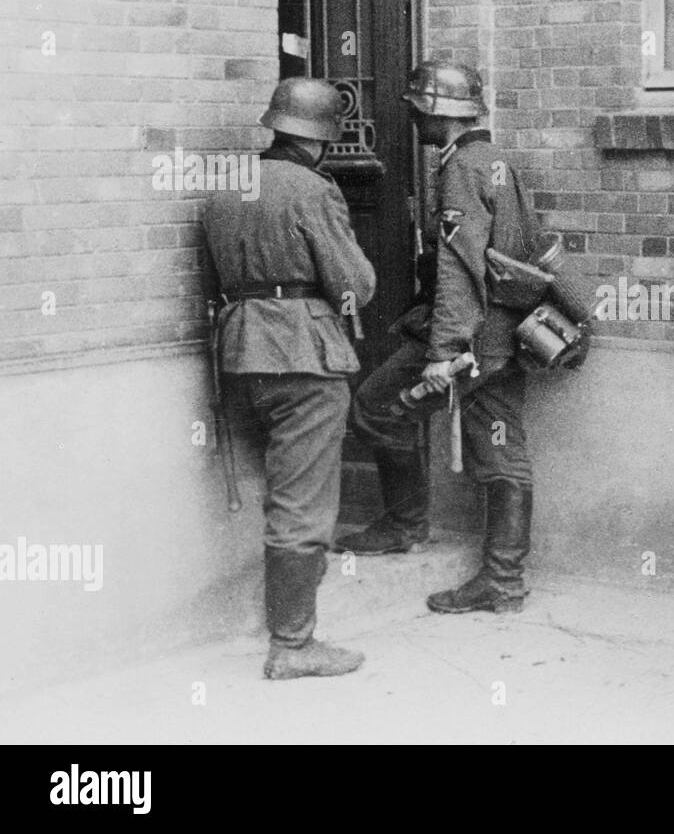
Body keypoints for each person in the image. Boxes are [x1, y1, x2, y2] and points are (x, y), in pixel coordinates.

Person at [343, 60, 539, 615]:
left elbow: (459, 267)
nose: (412, 118)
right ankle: (503, 582)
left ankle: (404, 525)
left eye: (417, 109)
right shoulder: (494, 159)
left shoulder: (459, 169)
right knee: (504, 453)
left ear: (436, 114)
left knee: (377, 406)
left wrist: (444, 350)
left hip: (469, 340)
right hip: (504, 337)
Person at [202, 77, 376, 679]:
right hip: (304, 356)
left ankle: (288, 631)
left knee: (278, 494)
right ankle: (294, 646)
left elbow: (211, 277)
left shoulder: (227, 186)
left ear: (277, 126)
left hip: (239, 352)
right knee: (302, 504)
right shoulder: (313, 189)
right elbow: (355, 285)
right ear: (323, 140)